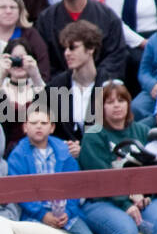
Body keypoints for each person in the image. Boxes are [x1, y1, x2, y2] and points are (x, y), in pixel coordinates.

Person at [78, 81, 157, 234]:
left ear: (128, 103)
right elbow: (101, 180)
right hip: (103, 201)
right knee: (127, 233)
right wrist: (126, 202)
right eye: (110, 102)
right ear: (101, 108)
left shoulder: (142, 131)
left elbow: (154, 168)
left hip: (143, 197)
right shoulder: (93, 135)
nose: (116, 105)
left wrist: (146, 196)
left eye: (121, 100)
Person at [6, 106, 96, 234]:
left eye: (43, 123)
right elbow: (20, 190)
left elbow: (75, 185)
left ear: (52, 128)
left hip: (66, 215)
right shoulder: (17, 155)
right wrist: (42, 214)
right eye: (34, 123)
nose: (38, 127)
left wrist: (68, 212)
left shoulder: (64, 151)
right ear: (25, 127)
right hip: (34, 216)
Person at [36, 0, 128, 80]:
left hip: (100, 86)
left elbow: (116, 56)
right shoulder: (46, 19)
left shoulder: (107, 17)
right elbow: (45, 61)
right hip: (60, 90)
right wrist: (66, 82)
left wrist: (96, 81)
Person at [46, 20, 111, 149]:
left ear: (90, 48)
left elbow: (116, 132)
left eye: (72, 47)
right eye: (65, 48)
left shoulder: (108, 85)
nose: (67, 53)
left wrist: (84, 150)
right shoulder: (56, 87)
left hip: (100, 157)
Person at [0, 33, 43, 150]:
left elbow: (51, 107)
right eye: (14, 58)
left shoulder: (38, 87)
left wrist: (35, 74)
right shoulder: (0, 89)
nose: (18, 63)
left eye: (22, 58)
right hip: (7, 149)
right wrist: (1, 75)